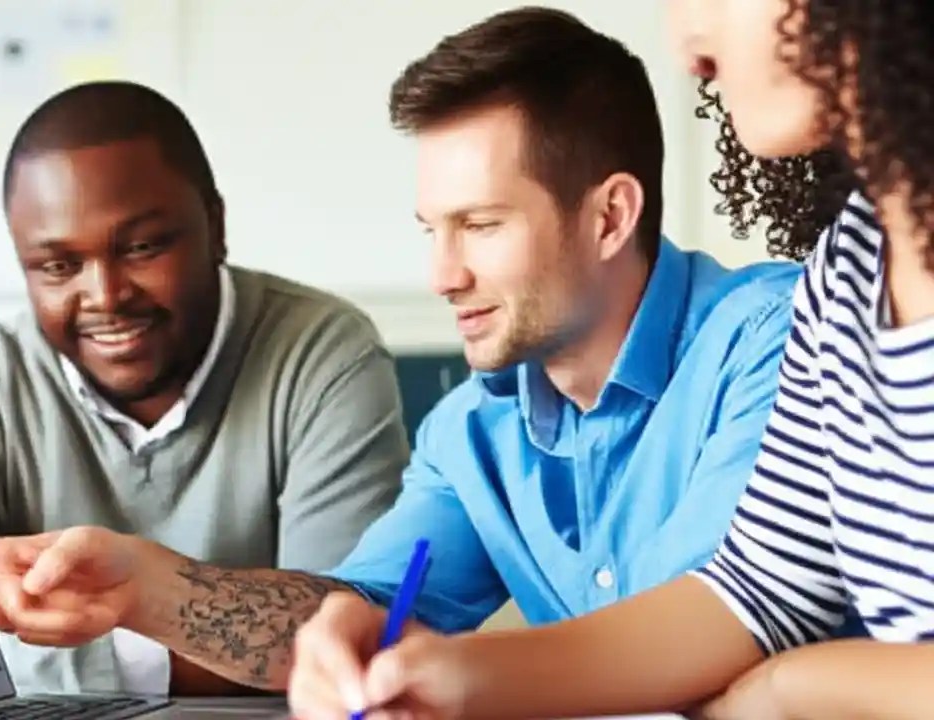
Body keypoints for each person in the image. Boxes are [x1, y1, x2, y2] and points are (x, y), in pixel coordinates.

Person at [0, 6, 801, 698]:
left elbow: (721, 627)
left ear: (609, 216)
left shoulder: (771, 340)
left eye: (479, 225)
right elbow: (350, 613)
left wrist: (455, 676)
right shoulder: (473, 432)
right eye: (431, 228)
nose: (442, 274)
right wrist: (150, 591)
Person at [282, 0, 934, 718]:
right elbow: (755, 593)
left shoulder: (762, 330)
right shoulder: (845, 271)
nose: (687, 42)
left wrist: (788, 691)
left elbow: (768, 652)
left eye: (482, 224)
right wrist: (456, 673)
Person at [0, 80, 410, 695]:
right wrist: (197, 645)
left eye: (141, 248)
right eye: (58, 267)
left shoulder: (322, 353)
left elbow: (347, 638)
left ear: (215, 226)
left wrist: (114, 626)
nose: (106, 296)